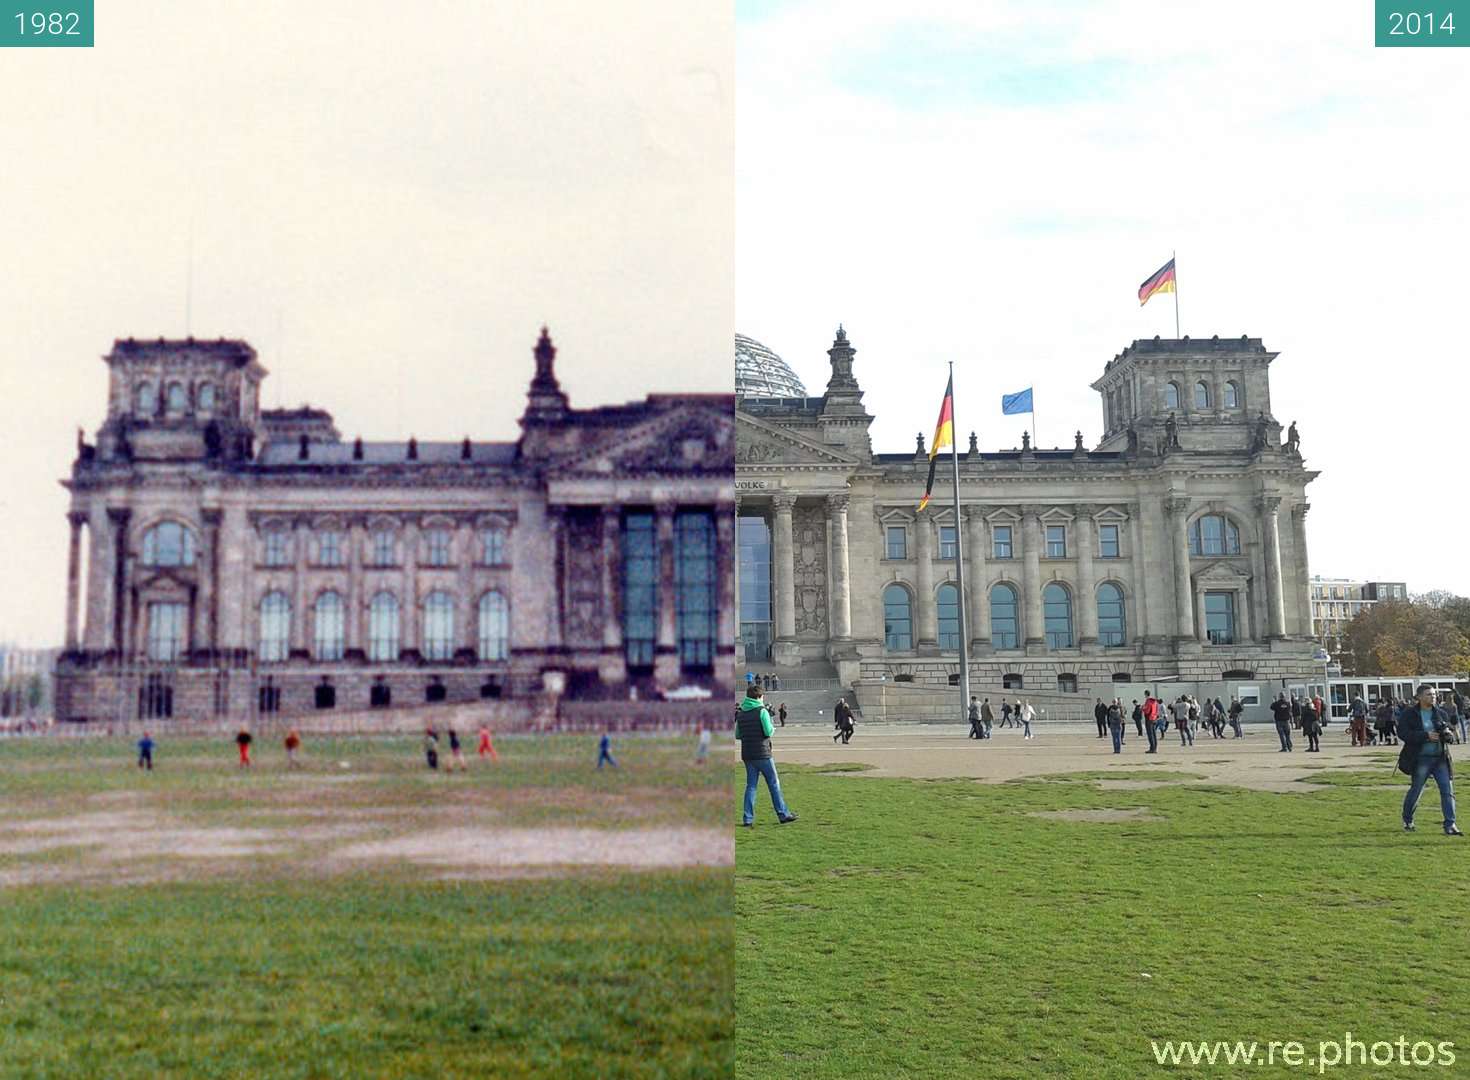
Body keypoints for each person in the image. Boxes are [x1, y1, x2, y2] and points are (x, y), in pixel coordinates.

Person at [1398, 684, 1462, 836]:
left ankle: (1450, 824)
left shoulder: (1441, 713)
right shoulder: (1410, 714)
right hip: (1421, 759)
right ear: (1419, 697)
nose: (1432, 697)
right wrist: (1425, 736)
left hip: (1440, 759)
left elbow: (1447, 731)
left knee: (1447, 791)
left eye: (1434, 694)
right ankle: (1407, 819)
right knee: (1416, 790)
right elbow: (1403, 733)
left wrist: (1448, 735)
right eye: (1428, 694)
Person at [737, 684, 796, 826]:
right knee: (773, 783)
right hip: (763, 753)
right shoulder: (762, 711)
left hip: (747, 754)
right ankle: (783, 814)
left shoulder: (741, 713)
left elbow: (737, 734)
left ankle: (748, 818)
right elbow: (768, 732)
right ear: (759, 697)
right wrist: (772, 727)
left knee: (751, 786)